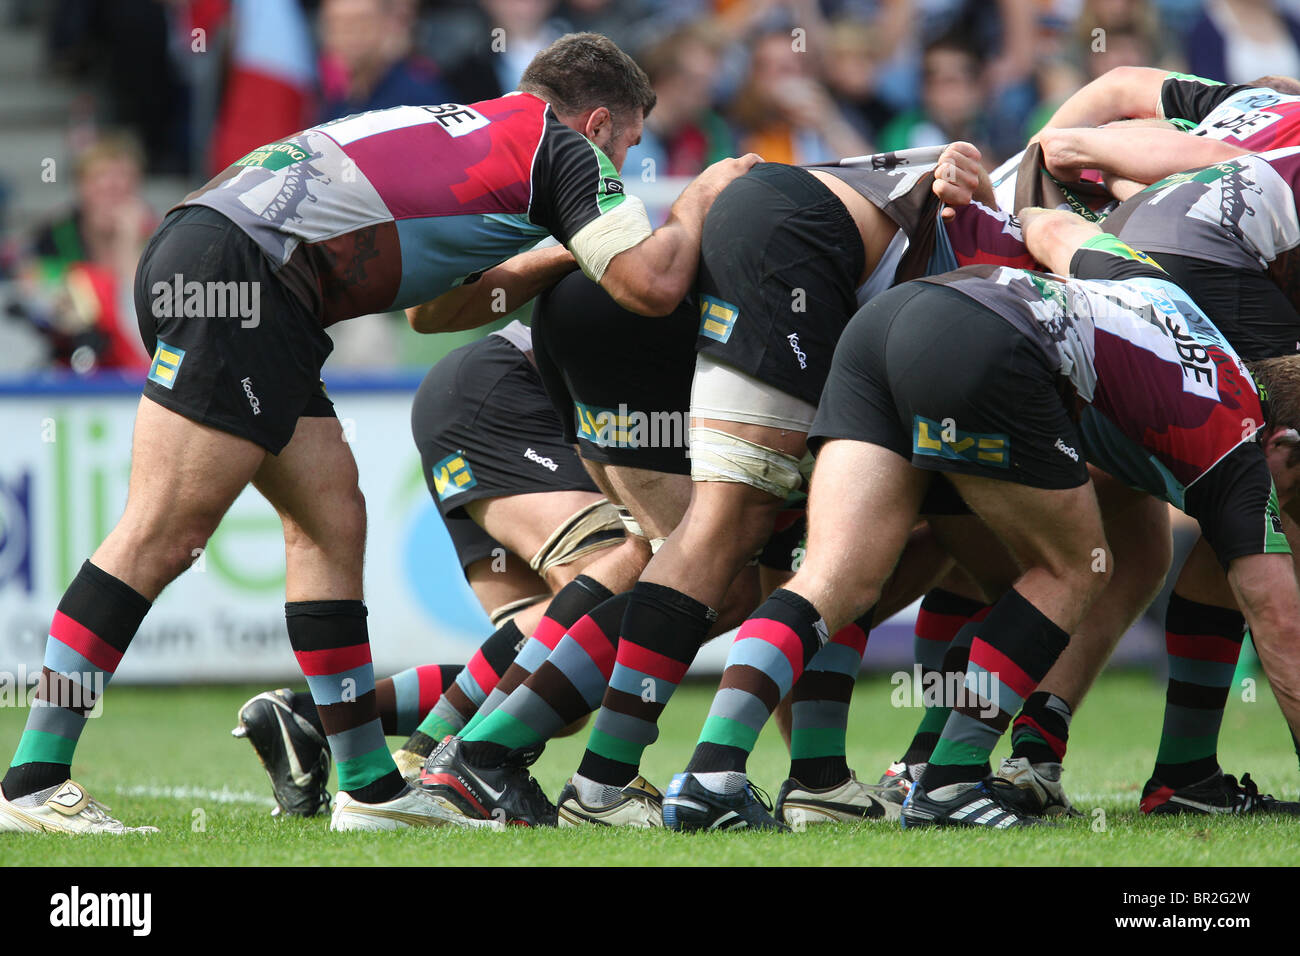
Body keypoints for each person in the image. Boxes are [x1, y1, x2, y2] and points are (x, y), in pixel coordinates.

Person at [0, 32, 759, 835]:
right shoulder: (564, 152)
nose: (625, 163)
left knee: (331, 520)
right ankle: (34, 779)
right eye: (631, 142)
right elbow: (652, 282)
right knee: (161, 531)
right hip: (246, 273)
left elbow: (438, 312)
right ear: (599, 122)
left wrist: (568, 256)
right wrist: (698, 201)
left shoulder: (482, 132)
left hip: (232, 258)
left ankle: (368, 786)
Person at [663, 212, 1300, 830]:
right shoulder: (1239, 441)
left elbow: (1046, 224)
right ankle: (948, 783)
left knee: (835, 575)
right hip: (986, 342)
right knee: (1077, 566)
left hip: (891, 320)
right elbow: (1278, 619)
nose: (1285, 513)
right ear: (1287, 446)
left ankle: (710, 777)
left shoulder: (1164, 297)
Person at [232, 319, 628, 816]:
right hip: (506, 393)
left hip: (478, 395)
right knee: (616, 579)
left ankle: (308, 719)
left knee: (551, 685)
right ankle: (431, 753)